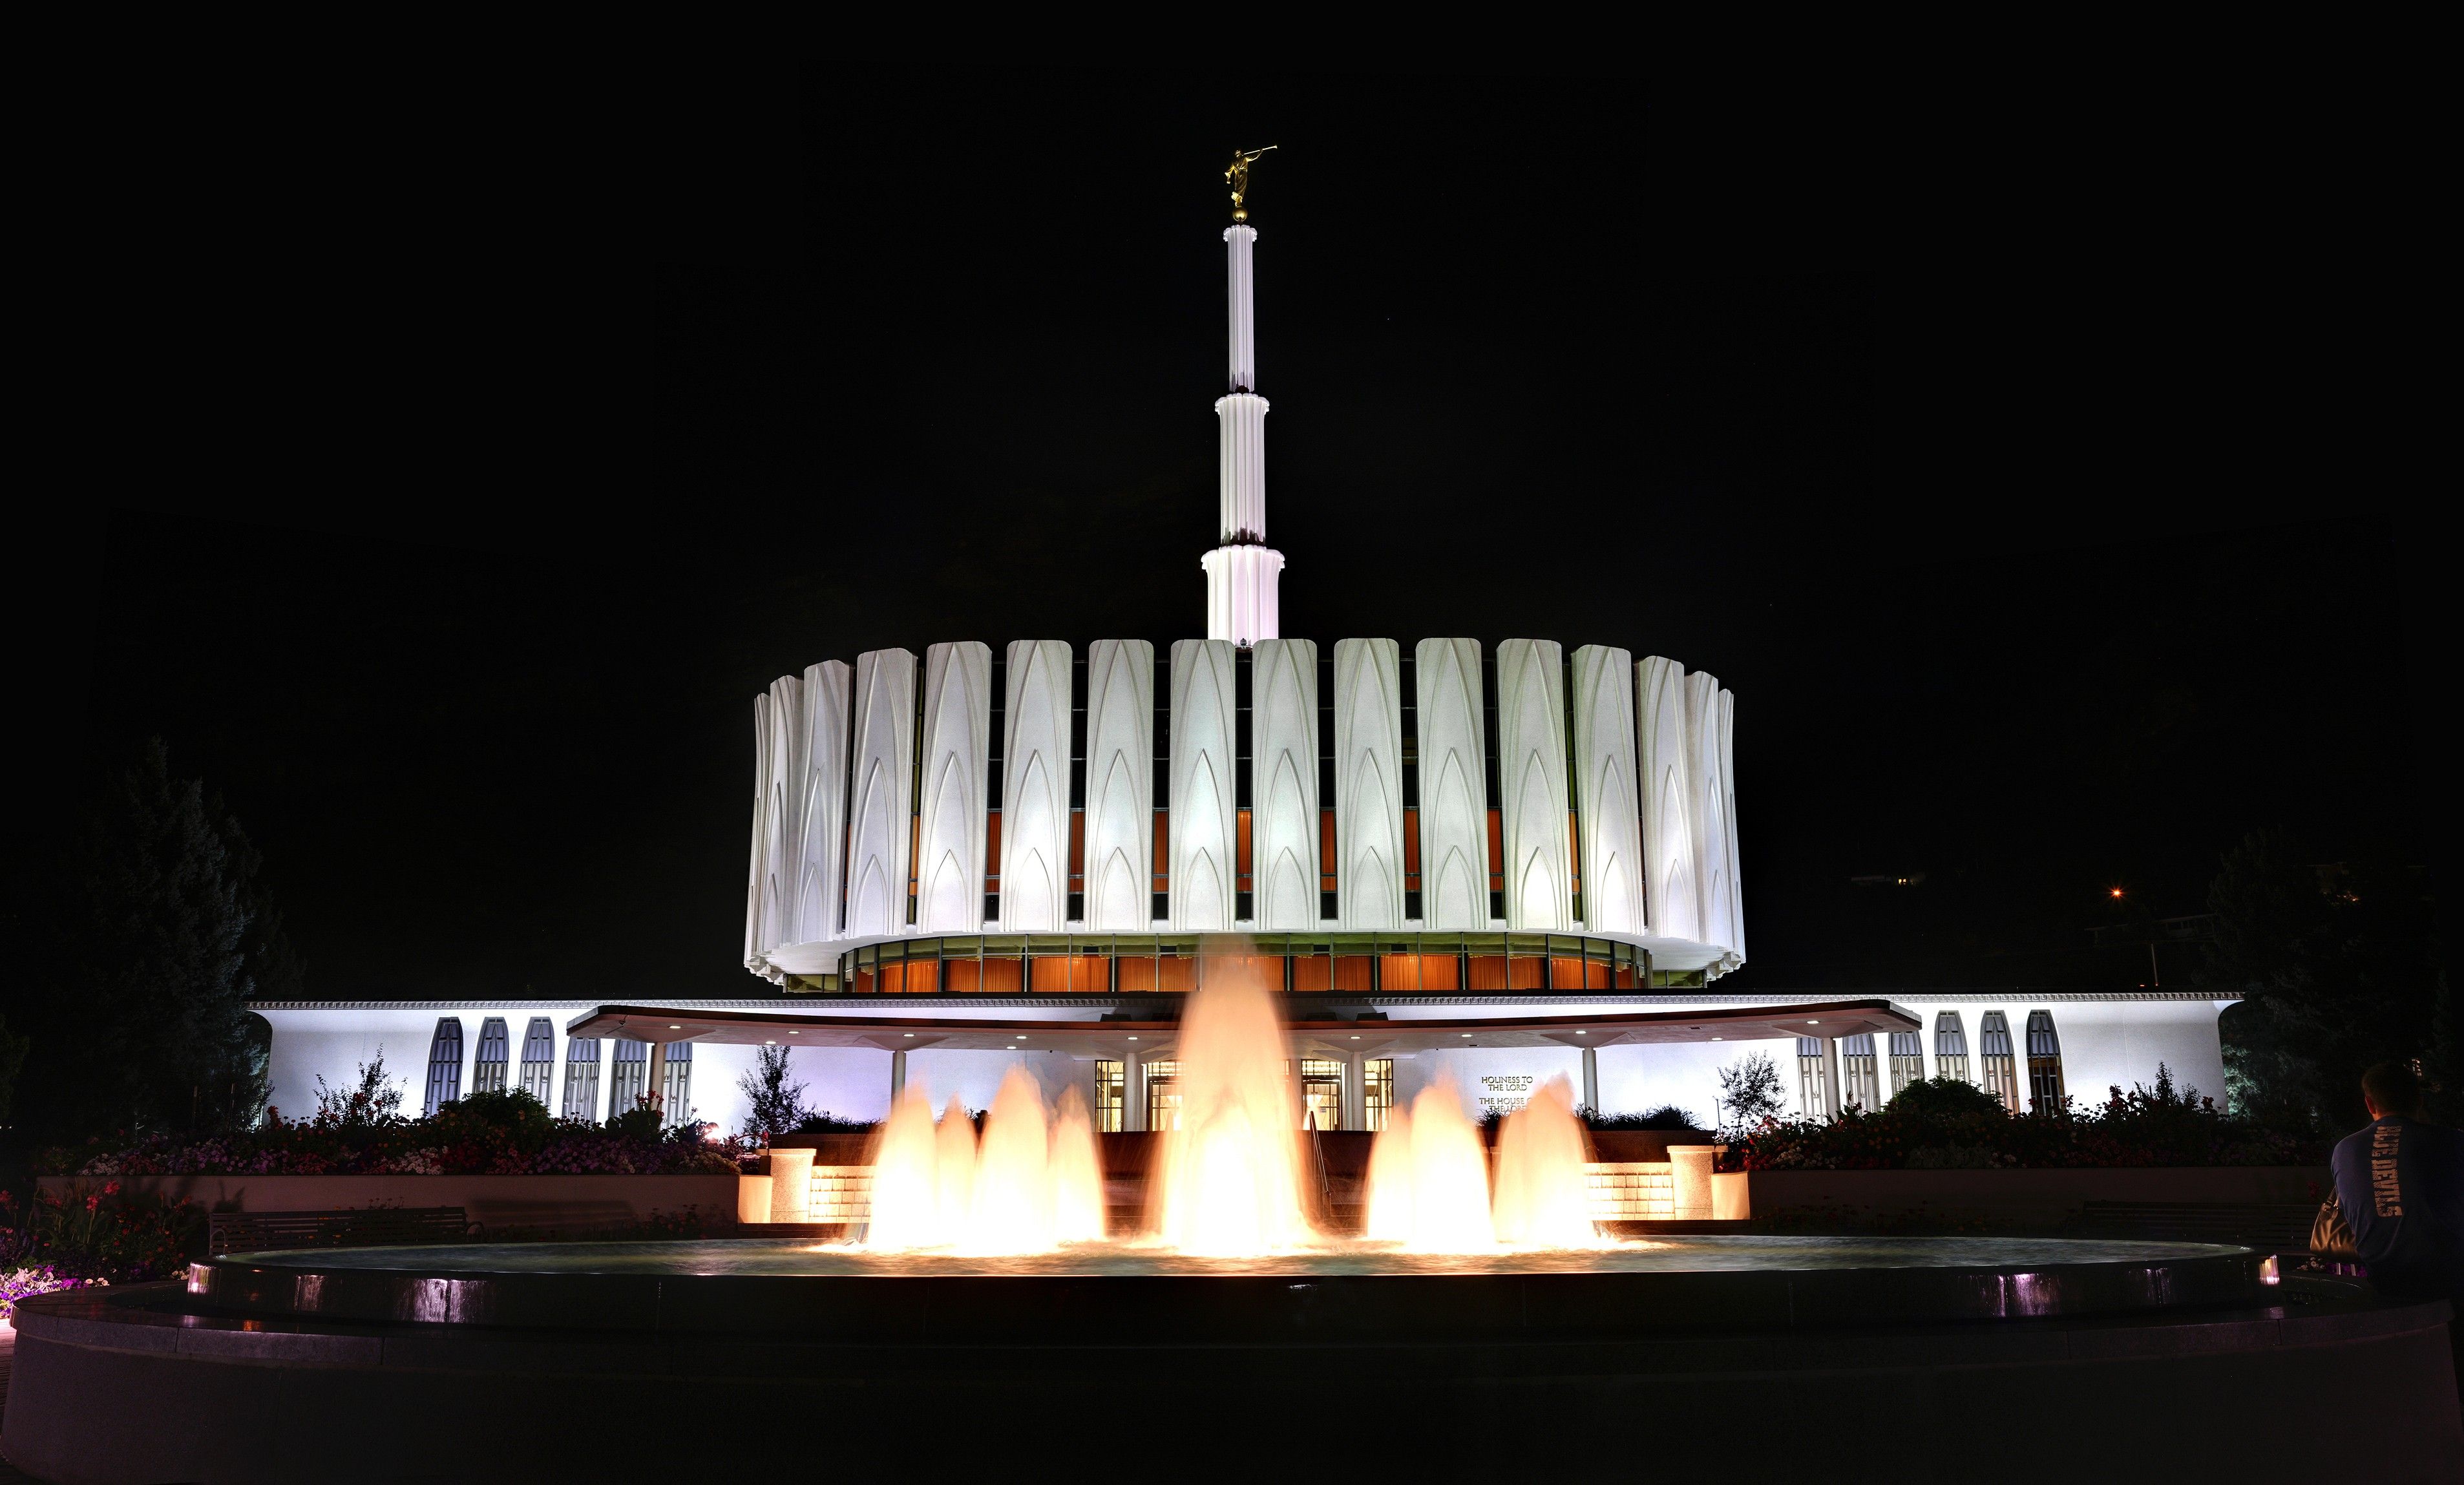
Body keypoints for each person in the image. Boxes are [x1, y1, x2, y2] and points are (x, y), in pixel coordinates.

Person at [2329, 1061, 2464, 1303]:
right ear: (2419, 1100)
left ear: (2370, 1104)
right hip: (2450, 1283)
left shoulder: (2345, 1150)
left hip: (2384, 1283)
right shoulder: (2452, 1142)